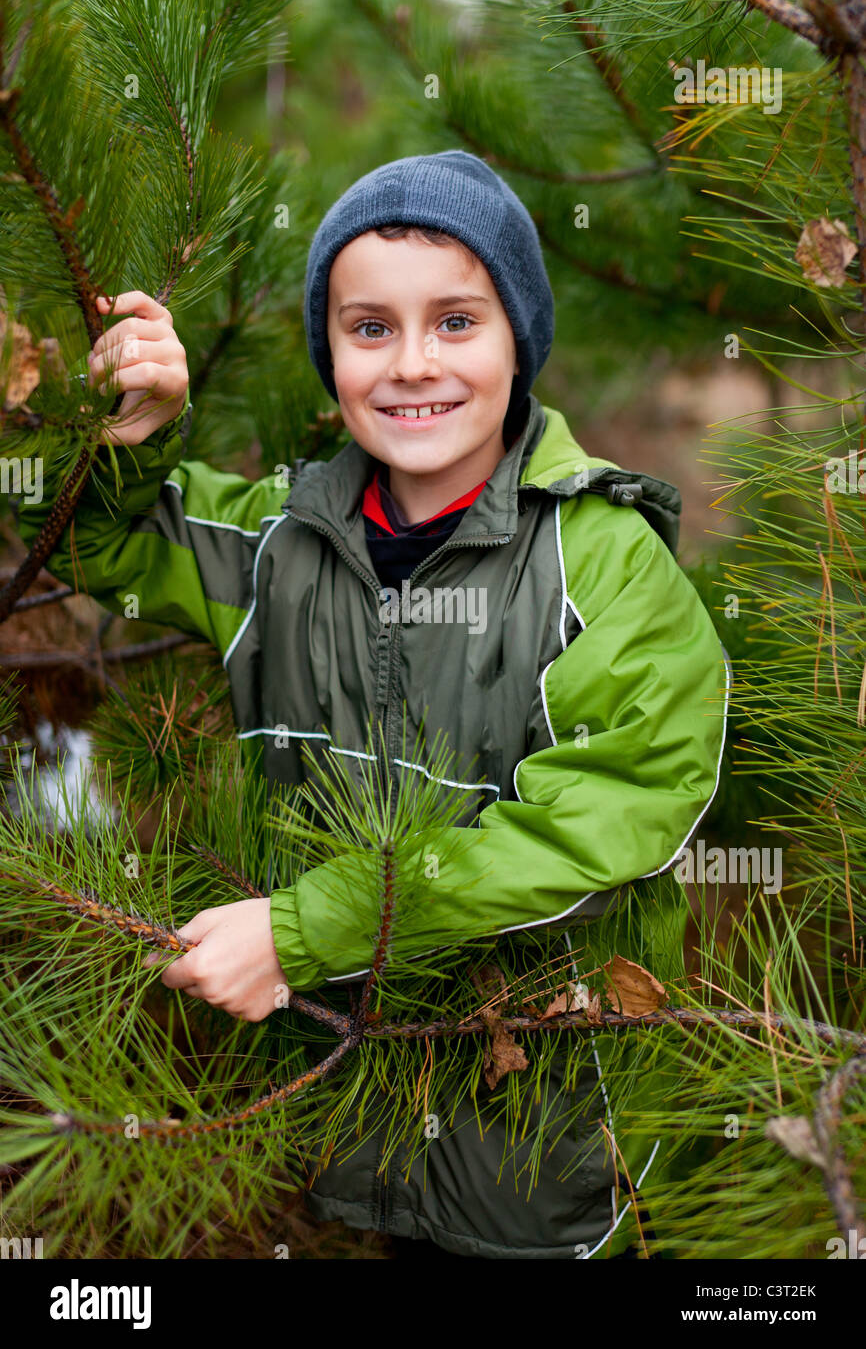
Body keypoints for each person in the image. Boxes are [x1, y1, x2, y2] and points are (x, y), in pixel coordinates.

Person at [14, 149, 730, 1259]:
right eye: (367, 328)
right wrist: (131, 429)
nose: (410, 367)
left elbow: (594, 828)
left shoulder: (604, 565)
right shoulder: (278, 546)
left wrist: (300, 933)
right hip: (359, 1126)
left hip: (555, 1163)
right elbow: (104, 544)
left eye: (455, 322)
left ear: (518, 342)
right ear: (328, 352)